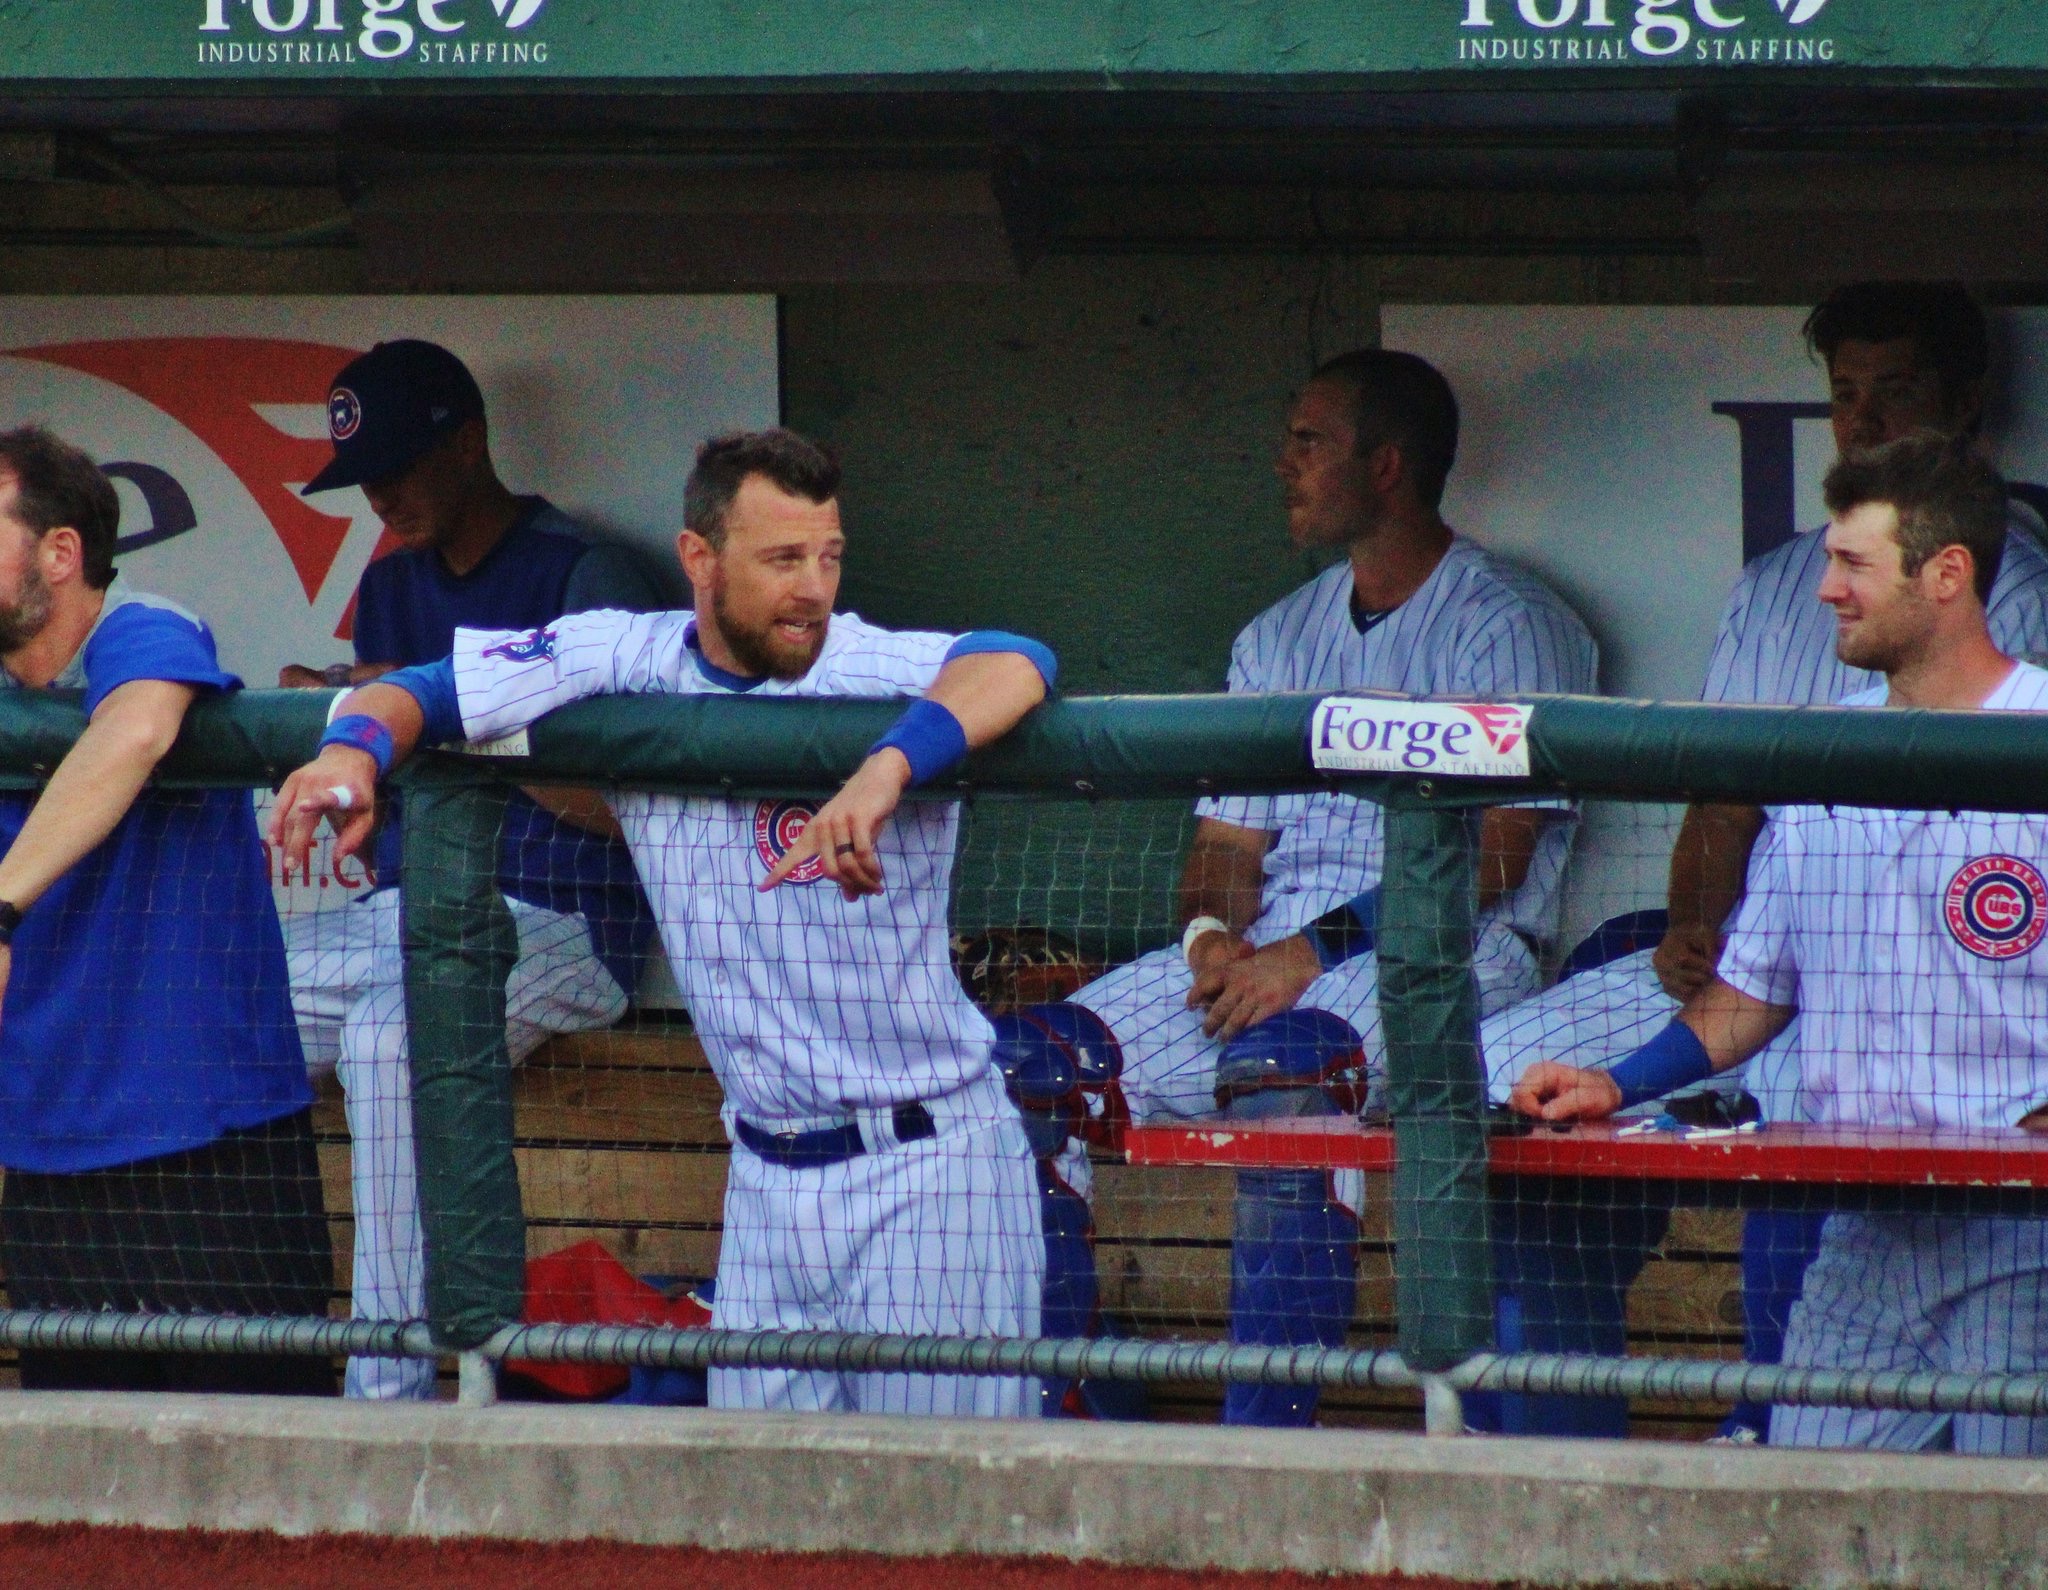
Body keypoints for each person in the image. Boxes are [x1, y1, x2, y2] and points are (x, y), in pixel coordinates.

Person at [270, 427, 1057, 1418]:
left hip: (926, 1164)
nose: (811, 586)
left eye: (828, 555)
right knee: (759, 1527)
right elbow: (425, 690)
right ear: (699, 558)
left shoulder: (865, 665)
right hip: (767, 1178)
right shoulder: (625, 652)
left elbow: (1018, 658)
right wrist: (352, 750)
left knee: (950, 1519)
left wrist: (886, 765)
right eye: (780, 559)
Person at [1479, 282, 2048, 1441]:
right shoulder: (1819, 758)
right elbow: (1746, 999)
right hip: (1865, 1233)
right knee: (1808, 1516)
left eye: (1853, 566)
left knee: (2008, 1533)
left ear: (1944, 578)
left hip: (2019, 1230)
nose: (1824, 586)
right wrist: (1615, 1084)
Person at [996, 350, 1597, 1426]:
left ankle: (1267, 1435)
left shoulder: (1506, 620)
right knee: (1031, 1066)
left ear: (1386, 467)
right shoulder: (1276, 634)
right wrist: (1207, 945)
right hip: (1268, 962)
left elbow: (1493, 858)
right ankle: (1069, 1406)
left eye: (1310, 441)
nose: (1283, 463)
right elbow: (1223, 852)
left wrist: (1303, 957)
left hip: (1444, 958)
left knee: (1288, 1065)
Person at [281, 338, 662, 1400]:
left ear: (470, 442)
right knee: (212, 995)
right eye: (366, 477)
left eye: (402, 464)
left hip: (563, 923)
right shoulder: (393, 580)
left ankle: (385, 1402)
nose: (383, 497)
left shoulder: (579, 572)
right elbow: (359, 727)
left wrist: (445, 716)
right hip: (410, 911)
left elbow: (627, 810)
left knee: (393, 1031)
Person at [0, 426, 331, 1394]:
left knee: (271, 1474)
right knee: (91, 1493)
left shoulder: (145, 626)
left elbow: (137, 730)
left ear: (61, 554)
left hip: (208, 1147)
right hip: (52, 1155)